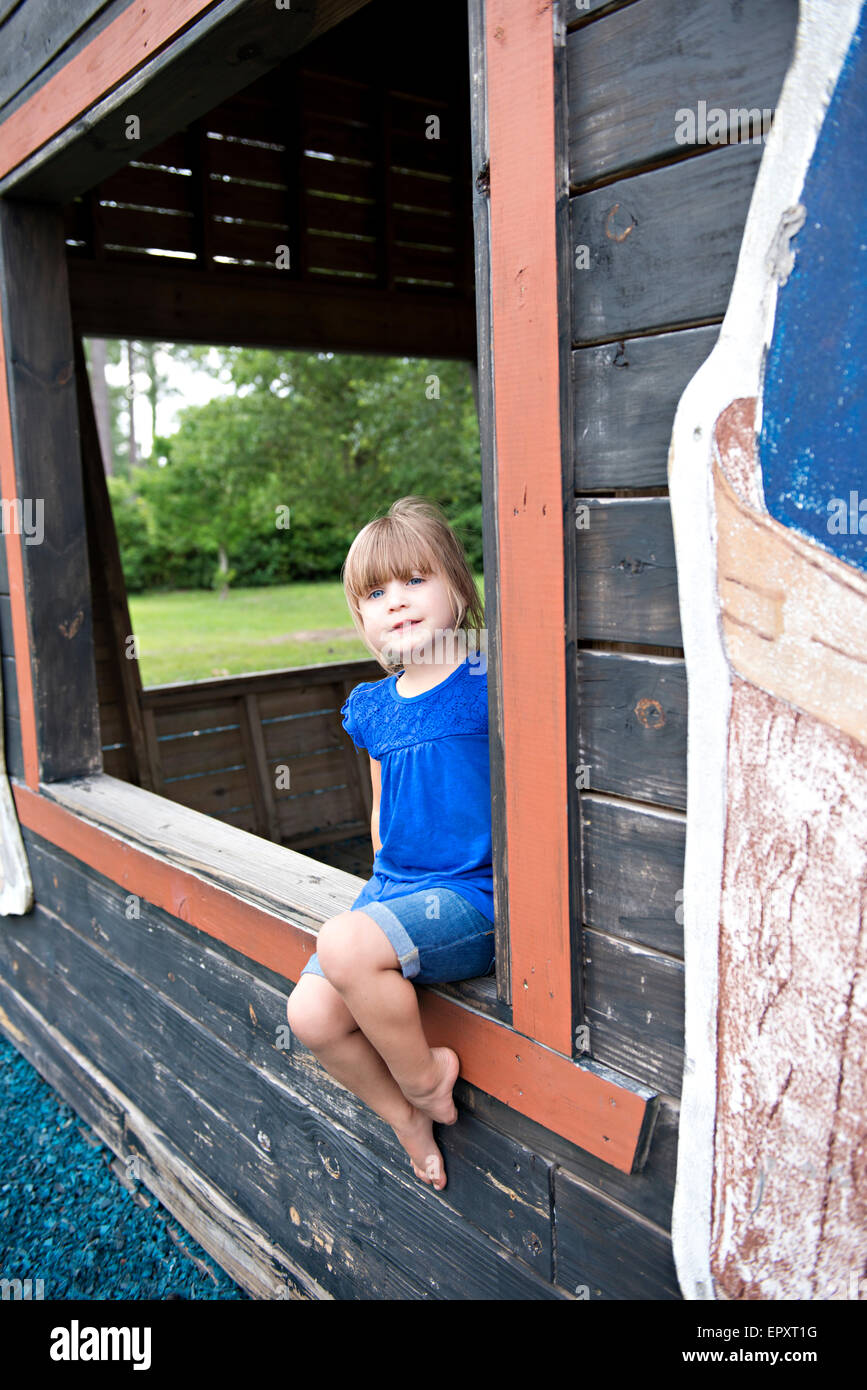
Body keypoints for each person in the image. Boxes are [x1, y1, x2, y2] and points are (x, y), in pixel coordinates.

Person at [285, 496, 493, 1192]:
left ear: (457, 589)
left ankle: (428, 1077)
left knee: (342, 943)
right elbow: (382, 814)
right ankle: (403, 1115)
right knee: (308, 1014)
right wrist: (382, 898)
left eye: (414, 580)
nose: (396, 603)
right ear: (361, 616)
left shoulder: (490, 679)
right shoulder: (372, 705)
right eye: (375, 593)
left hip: (473, 890)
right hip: (399, 886)